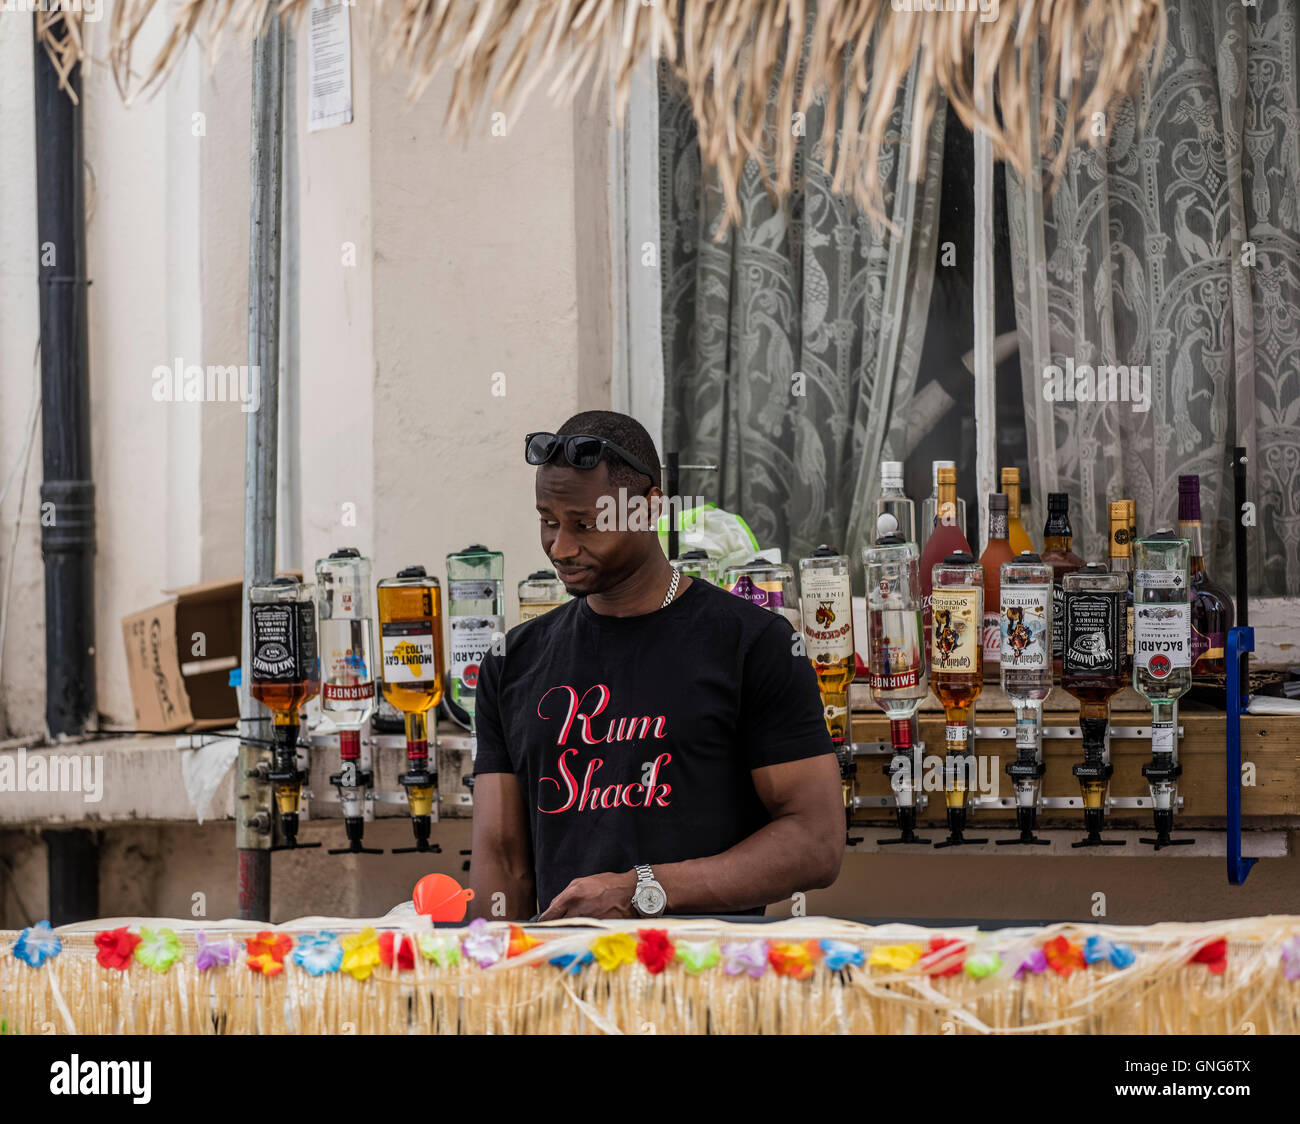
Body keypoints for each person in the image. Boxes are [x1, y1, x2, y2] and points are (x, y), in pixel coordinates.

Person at [468, 411, 844, 920]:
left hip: (707, 981)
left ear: (647, 510)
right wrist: (497, 978)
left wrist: (641, 888)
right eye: (548, 521)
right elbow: (503, 860)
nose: (561, 547)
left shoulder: (755, 645)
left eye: (586, 524)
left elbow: (814, 842)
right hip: (567, 983)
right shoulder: (513, 663)